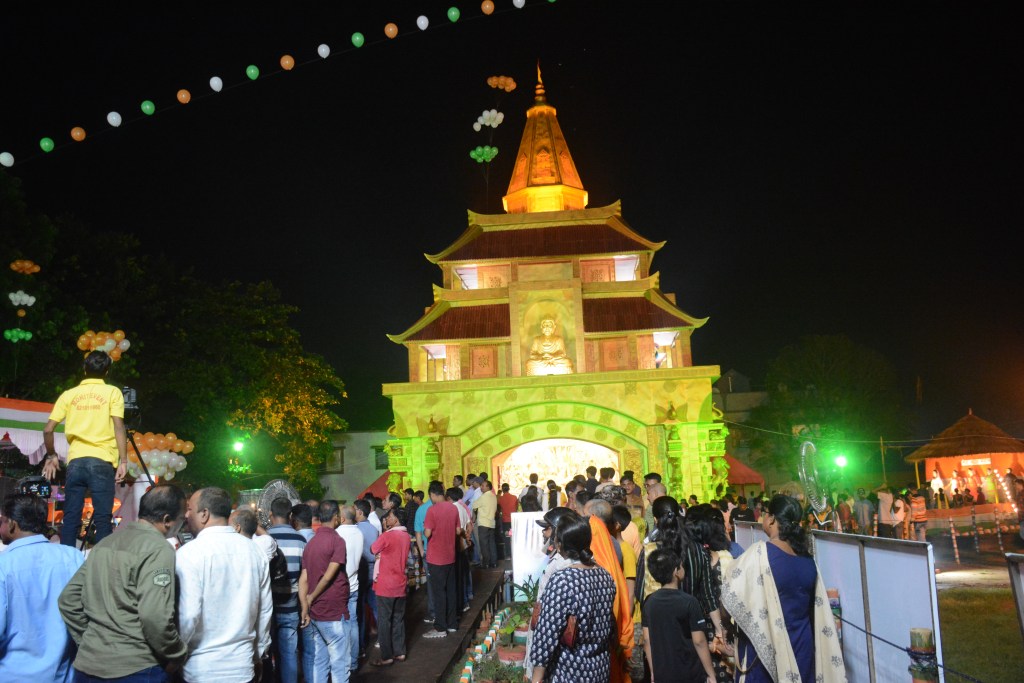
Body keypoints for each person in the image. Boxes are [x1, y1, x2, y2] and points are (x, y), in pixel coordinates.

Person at [58, 485, 186, 682]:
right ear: (167, 520)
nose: (182, 525)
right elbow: (154, 617)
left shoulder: (105, 543)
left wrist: (91, 641)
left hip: (88, 666)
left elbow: (68, 599)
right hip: (136, 668)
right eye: (182, 519)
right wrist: (177, 653)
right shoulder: (159, 549)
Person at [722, 494, 845, 682]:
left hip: (768, 645)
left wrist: (726, 626)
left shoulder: (759, 553)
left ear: (772, 519)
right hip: (803, 643)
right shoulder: (807, 560)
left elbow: (728, 594)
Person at [177, 487, 273, 683]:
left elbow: (188, 615)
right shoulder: (255, 552)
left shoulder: (188, 554)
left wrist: (174, 656)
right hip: (242, 666)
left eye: (190, 509)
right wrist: (258, 653)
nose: (186, 515)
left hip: (200, 668)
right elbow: (264, 611)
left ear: (204, 514)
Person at [42, 350, 127, 547]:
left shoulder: (69, 395)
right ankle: (101, 568)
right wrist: (123, 461)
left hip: (76, 462)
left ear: (84, 369)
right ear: (107, 372)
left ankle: (66, 565)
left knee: (71, 516)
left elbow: (47, 430)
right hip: (102, 461)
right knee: (103, 519)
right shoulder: (113, 392)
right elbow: (118, 426)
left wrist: (52, 455)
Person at [1, 493, 84, 682]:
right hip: (65, 676)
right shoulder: (74, 558)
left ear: (12, 523)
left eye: (2, 521)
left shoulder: (3, 565)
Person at [529, 515, 615, 683]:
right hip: (600, 668)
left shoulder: (563, 580)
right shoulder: (605, 575)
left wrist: (536, 677)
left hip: (569, 670)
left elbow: (546, 633)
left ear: (560, 545)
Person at [642, 547, 716, 683]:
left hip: (662, 674)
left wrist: (653, 672)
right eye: (681, 565)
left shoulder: (649, 603)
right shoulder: (689, 602)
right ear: (676, 571)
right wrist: (710, 674)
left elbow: (647, 641)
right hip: (689, 674)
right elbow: (699, 641)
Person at [299, 499, 351, 683]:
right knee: (339, 664)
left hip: (316, 613)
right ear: (336, 517)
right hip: (333, 611)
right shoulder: (337, 541)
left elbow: (303, 579)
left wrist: (305, 607)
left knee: (320, 661)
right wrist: (311, 596)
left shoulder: (311, 543)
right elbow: (329, 576)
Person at [583, 499, 634, 683]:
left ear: (593, 519)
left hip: (603, 624)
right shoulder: (611, 542)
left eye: (585, 516)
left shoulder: (598, 544)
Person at [267, 496, 308, 683]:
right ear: (290, 515)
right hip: (292, 606)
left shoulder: (263, 539)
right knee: (289, 654)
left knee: (268, 655)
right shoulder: (300, 540)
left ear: (270, 515)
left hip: (267, 609)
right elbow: (304, 578)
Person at [369, 507, 411, 666]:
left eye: (390, 517)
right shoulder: (406, 536)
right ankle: (400, 652)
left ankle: (386, 656)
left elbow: (373, 549)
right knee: (398, 619)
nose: (387, 519)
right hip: (400, 583)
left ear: (396, 520)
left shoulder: (388, 536)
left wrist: (385, 532)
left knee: (384, 621)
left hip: (386, 584)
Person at [423, 481, 461, 639]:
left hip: (436, 558)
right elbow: (458, 531)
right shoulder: (453, 508)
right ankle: (452, 624)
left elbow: (427, 534)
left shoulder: (432, 510)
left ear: (432, 494)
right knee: (451, 591)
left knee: (439, 593)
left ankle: (440, 628)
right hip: (450, 556)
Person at [335, 506, 364, 673]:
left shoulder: (338, 534)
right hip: (354, 583)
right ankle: (353, 662)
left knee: (341, 625)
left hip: (340, 585)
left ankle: (344, 663)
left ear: (343, 518)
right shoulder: (358, 533)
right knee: (353, 622)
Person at [353, 498, 380, 658]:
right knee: (376, 606)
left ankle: (361, 646)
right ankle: (383, 638)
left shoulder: (356, 529)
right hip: (373, 571)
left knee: (360, 610)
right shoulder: (372, 528)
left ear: (360, 512)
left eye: (354, 509)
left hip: (361, 572)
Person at [472, 479, 498, 568]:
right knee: (492, 544)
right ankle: (493, 562)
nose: (481, 487)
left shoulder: (484, 496)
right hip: (491, 523)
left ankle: (486, 563)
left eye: (483, 486)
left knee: (484, 545)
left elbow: (474, 505)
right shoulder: (494, 496)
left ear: (488, 487)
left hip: (483, 523)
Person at [498, 482, 519, 559]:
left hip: (505, 521)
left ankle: (508, 555)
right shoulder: (514, 497)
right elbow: (516, 508)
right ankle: (516, 553)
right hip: (513, 520)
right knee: (514, 537)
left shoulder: (500, 499)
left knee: (507, 538)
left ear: (502, 490)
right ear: (509, 489)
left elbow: (499, 508)